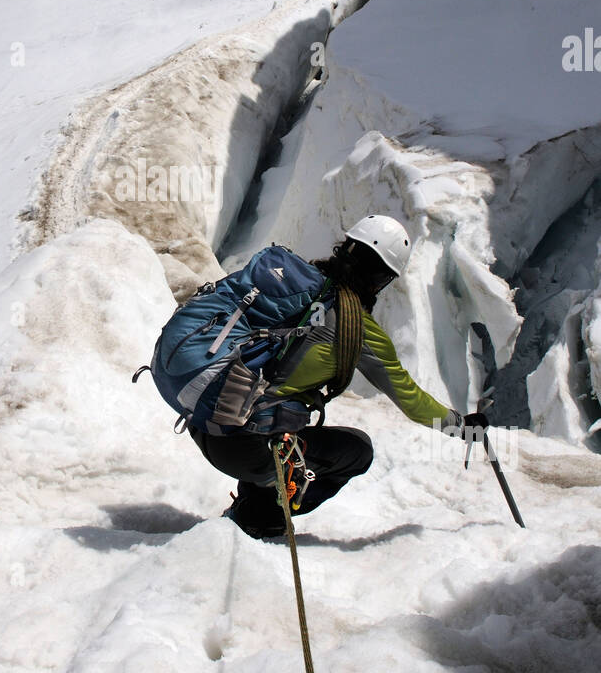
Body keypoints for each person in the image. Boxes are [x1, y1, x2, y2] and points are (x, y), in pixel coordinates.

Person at [189, 215, 487, 539]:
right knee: (357, 451)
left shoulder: (291, 284)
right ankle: (262, 514)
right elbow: (412, 400)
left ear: (345, 247)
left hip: (201, 417)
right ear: (381, 279)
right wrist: (460, 425)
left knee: (278, 413)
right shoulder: (357, 328)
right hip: (246, 449)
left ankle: (257, 498)